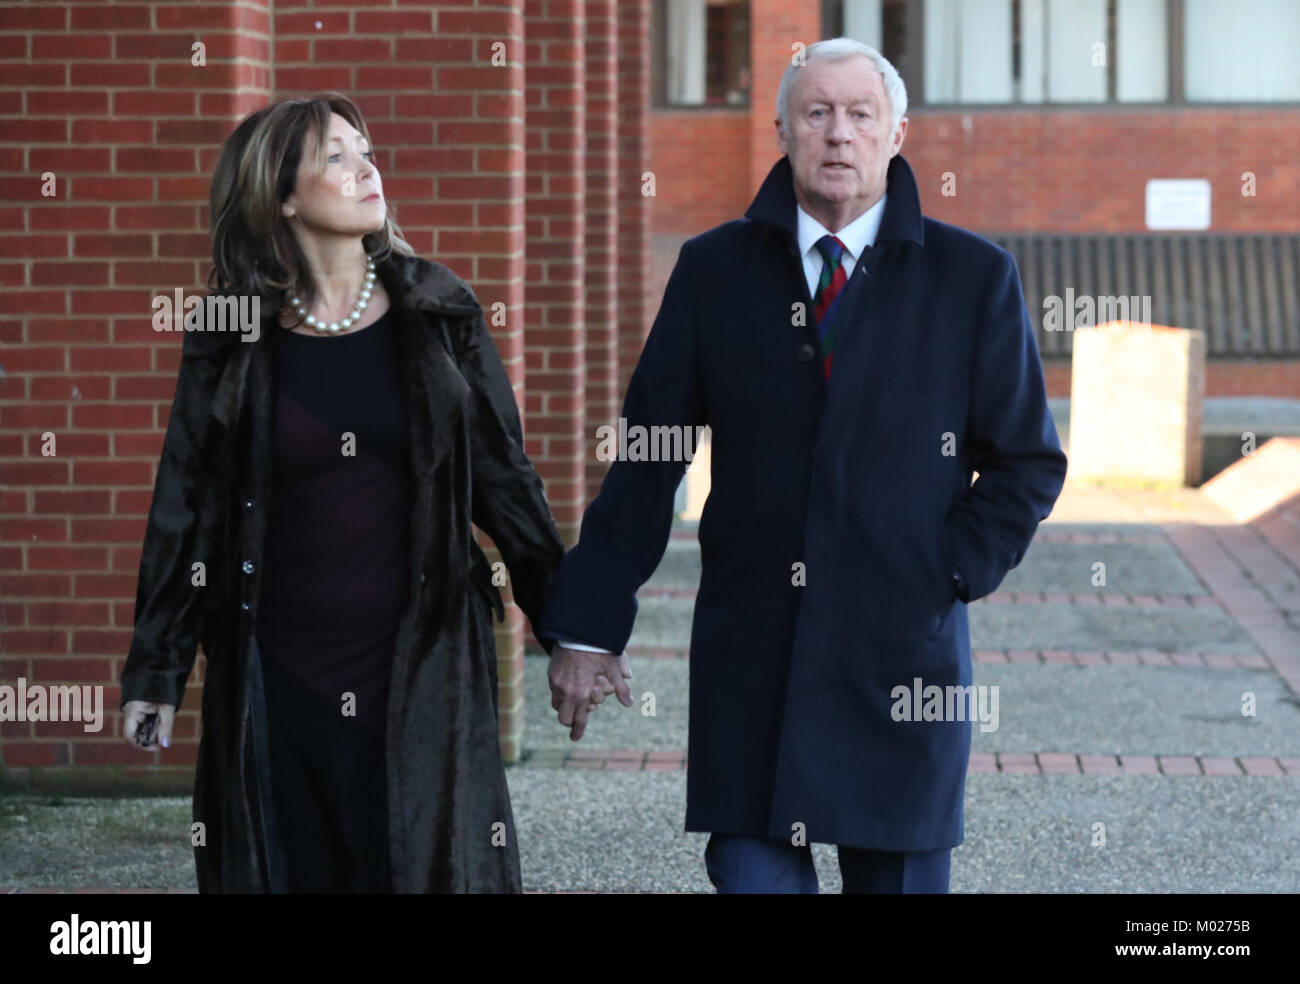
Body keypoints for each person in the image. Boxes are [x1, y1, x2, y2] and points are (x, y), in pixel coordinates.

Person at [539, 39, 1068, 893]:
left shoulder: (973, 276)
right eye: (816, 113)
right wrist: (589, 627)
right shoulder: (715, 270)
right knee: (750, 873)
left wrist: (948, 569)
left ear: (898, 134)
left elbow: (1026, 460)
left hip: (901, 657)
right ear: (782, 130)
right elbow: (649, 456)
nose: (838, 134)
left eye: (862, 115)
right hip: (754, 647)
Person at [119, 93, 569, 893]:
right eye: (336, 155)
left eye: (367, 150)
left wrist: (574, 631)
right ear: (281, 195)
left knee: (425, 867)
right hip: (275, 671)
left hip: (418, 667)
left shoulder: (438, 312)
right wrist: (156, 667)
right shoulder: (232, 333)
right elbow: (183, 501)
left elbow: (504, 480)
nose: (366, 169)